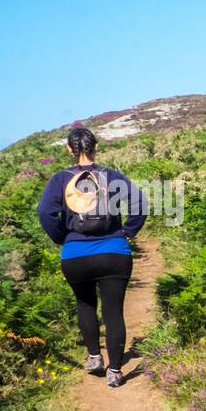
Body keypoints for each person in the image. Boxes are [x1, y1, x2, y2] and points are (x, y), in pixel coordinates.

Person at [37, 127, 148, 387]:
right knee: (113, 312)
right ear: (95, 145)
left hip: (75, 256)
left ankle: (95, 358)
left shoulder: (60, 179)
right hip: (114, 253)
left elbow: (45, 212)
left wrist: (62, 237)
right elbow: (139, 205)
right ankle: (116, 372)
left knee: (85, 305)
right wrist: (127, 232)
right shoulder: (111, 176)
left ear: (69, 149)